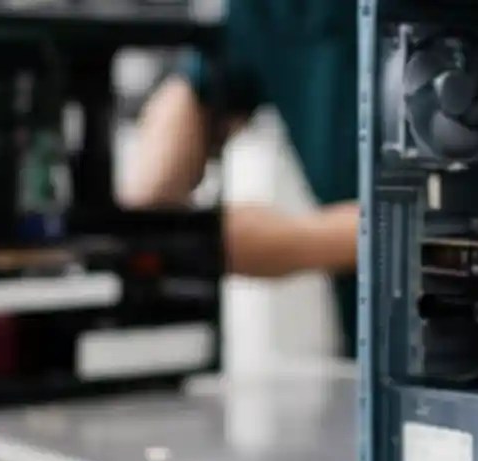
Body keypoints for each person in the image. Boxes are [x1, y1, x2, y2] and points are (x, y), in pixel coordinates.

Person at [123, 1, 360, 357]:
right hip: (370, 352)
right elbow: (206, 83)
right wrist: (147, 205)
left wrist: (300, 241)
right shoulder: (273, 11)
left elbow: (465, 213)